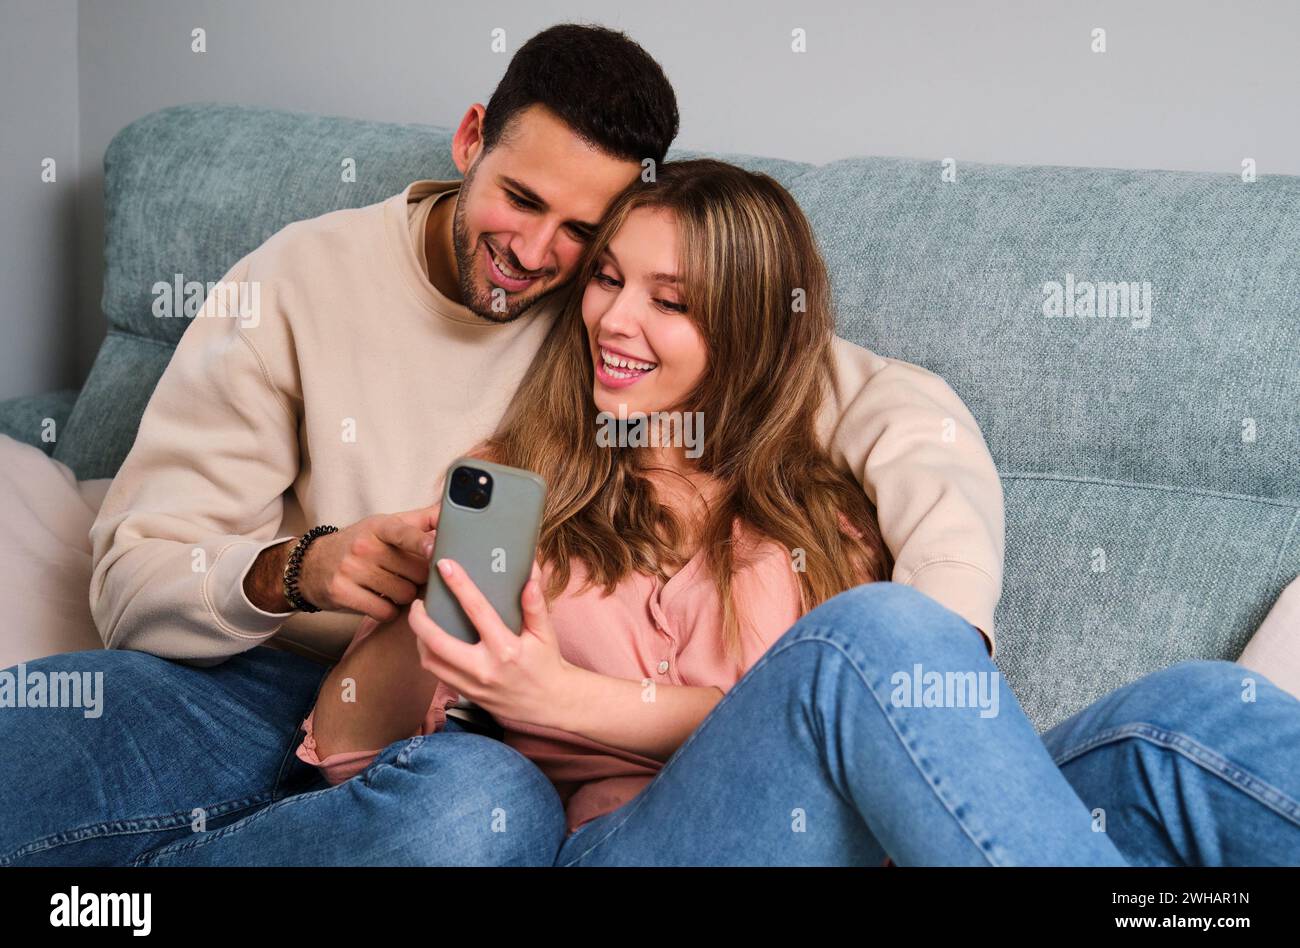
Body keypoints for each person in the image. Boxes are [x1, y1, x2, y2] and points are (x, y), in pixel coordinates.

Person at [0, 25, 1006, 866]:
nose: (533, 255)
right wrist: (305, 567)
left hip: (464, 740)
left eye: (581, 232)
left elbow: (884, 406)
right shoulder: (297, 281)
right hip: (252, 670)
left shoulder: (611, 312)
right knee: (42, 736)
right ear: (471, 136)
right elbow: (131, 581)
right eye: (521, 199)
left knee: (476, 804)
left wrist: (930, 649)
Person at [129, 160, 1300, 866]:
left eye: (671, 300)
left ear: (748, 328)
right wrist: (424, 628)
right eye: (607, 279)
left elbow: (863, 717)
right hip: (637, 845)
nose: (613, 319)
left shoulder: (824, 504)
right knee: (872, 638)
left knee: (1198, 714)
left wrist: (570, 698)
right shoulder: (523, 483)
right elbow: (364, 762)